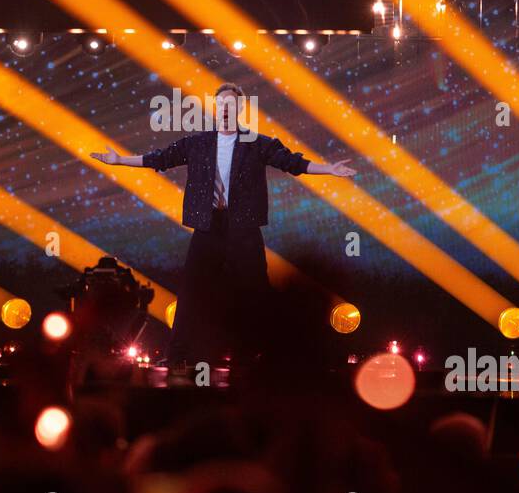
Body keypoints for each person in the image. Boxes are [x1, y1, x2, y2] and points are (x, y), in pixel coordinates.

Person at [90, 83, 356, 368]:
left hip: (243, 225)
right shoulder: (198, 143)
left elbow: (291, 162)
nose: (226, 111)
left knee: (256, 289)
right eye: (222, 105)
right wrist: (120, 161)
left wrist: (329, 169)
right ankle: (178, 354)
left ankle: (267, 355)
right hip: (209, 225)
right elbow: (161, 158)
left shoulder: (256, 142)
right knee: (192, 288)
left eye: (232, 105)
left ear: (241, 109)